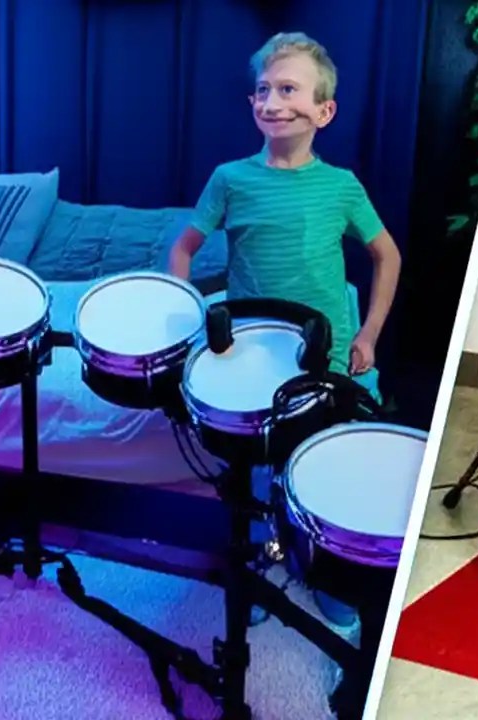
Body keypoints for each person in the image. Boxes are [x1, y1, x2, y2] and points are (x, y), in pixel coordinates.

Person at [168, 32, 402, 632]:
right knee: (247, 464)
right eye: (264, 90)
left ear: (323, 111)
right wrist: (189, 312)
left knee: (334, 465)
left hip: (323, 352)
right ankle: (249, 562)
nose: (273, 101)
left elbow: (387, 255)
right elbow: (184, 248)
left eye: (289, 89)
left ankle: (332, 581)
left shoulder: (342, 186)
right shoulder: (229, 178)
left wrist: (369, 334)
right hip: (253, 348)